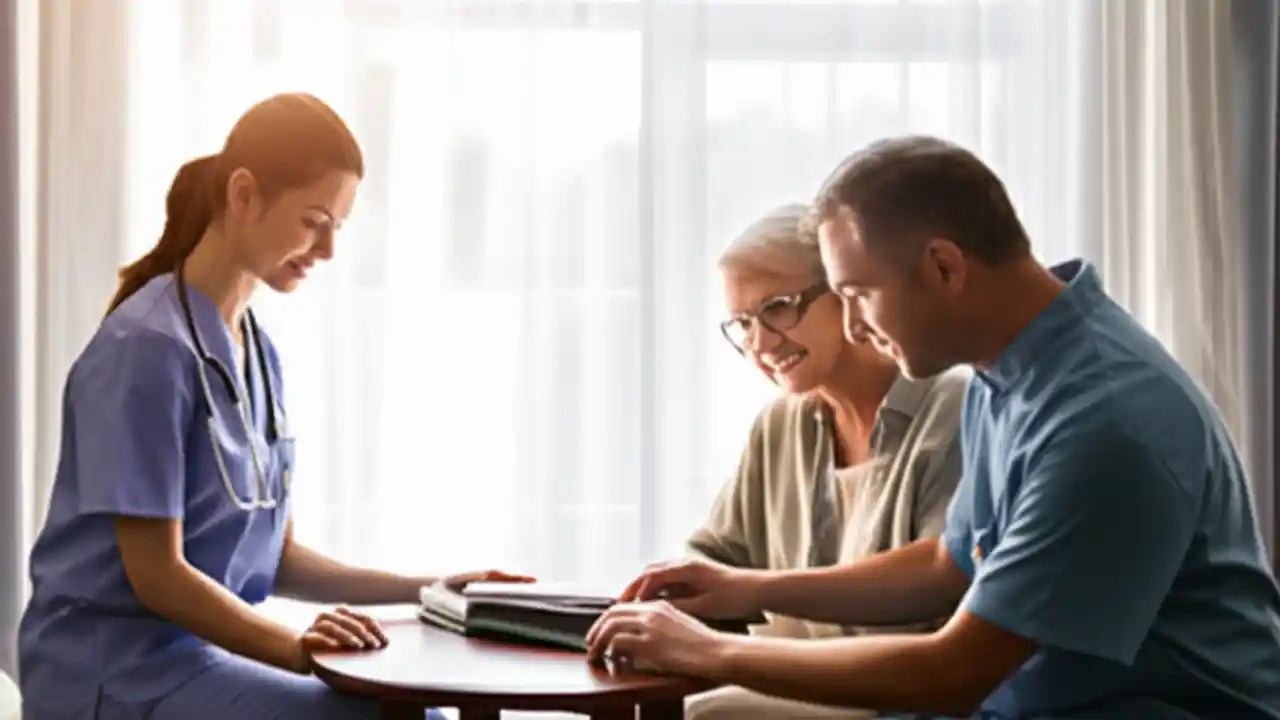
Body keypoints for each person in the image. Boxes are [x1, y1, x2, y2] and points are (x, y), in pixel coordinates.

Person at [586, 136, 1280, 718]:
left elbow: (955, 671)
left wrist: (712, 652)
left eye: (858, 294)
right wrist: (753, 589)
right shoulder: (1008, 370)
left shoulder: (1102, 423)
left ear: (945, 267)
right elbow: (951, 563)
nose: (854, 325)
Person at [18, 93, 532, 719]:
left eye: (337, 227)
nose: (327, 251)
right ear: (242, 195)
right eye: (314, 221)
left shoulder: (256, 351)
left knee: (426, 711)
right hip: (110, 670)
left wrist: (431, 591)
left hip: (196, 658)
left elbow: (274, 557)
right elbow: (157, 574)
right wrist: (296, 649)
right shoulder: (145, 350)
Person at [686, 204, 966, 719]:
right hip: (799, 679)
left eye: (778, 307)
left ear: (846, 291)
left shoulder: (954, 407)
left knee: (702, 714)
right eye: (743, 323)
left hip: (900, 695)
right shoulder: (780, 425)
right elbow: (715, 559)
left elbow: (943, 587)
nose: (761, 344)